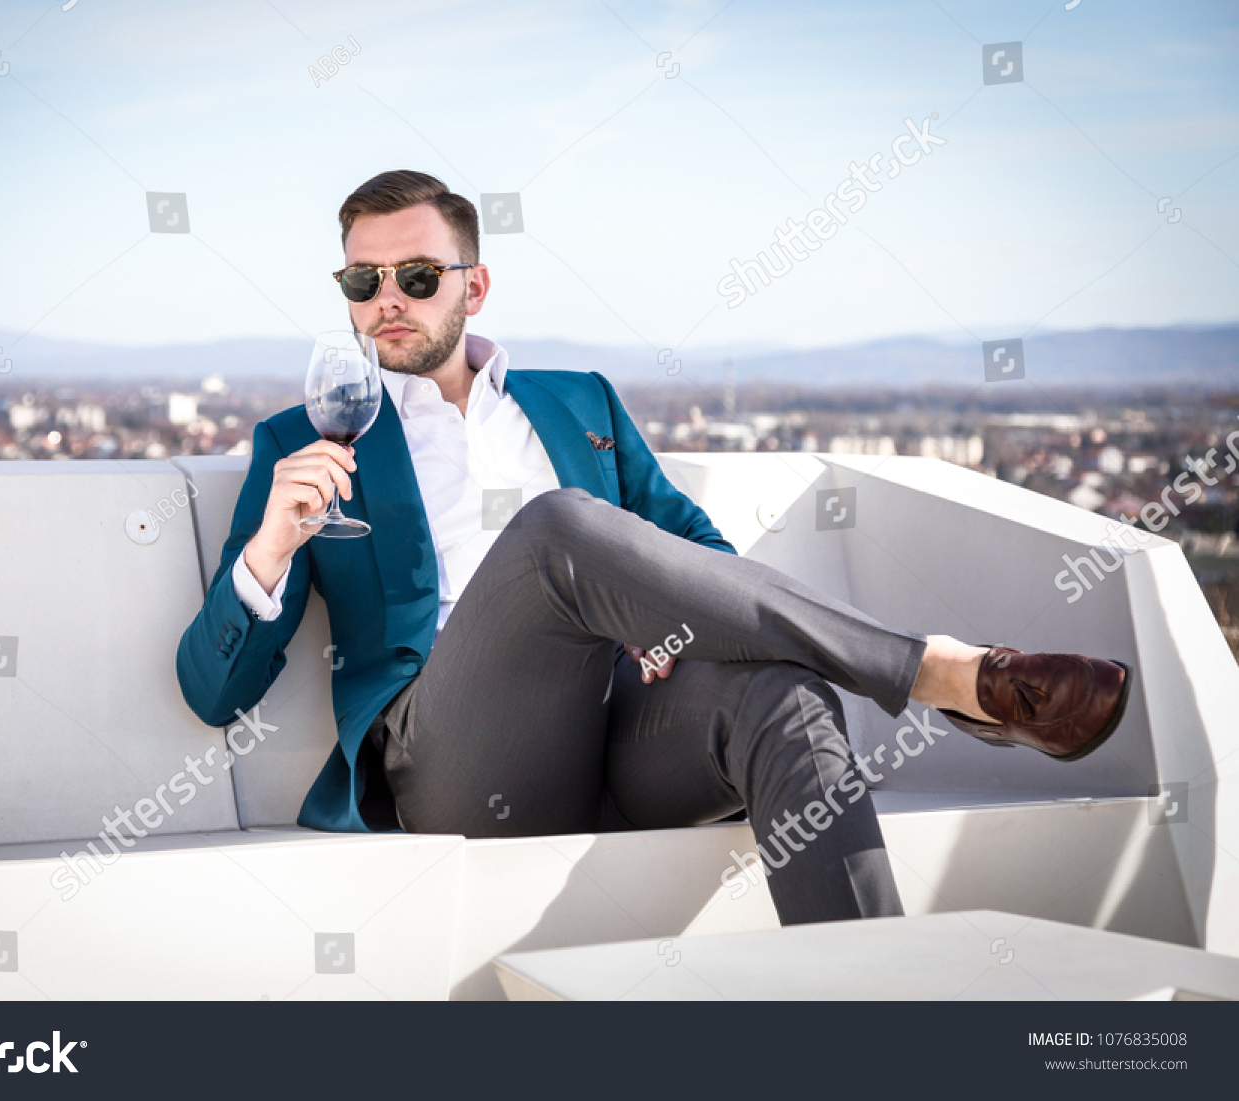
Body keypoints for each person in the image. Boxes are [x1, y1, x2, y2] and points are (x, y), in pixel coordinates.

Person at [176, 169, 1130, 924]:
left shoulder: (578, 403)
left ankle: (868, 1008)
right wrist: (269, 545)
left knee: (784, 698)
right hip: (461, 761)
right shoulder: (302, 445)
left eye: (417, 276)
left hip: (627, 736)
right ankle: (946, 673)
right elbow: (214, 692)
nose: (387, 299)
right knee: (556, 527)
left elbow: (699, 558)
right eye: (362, 280)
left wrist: (669, 637)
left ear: (475, 283)